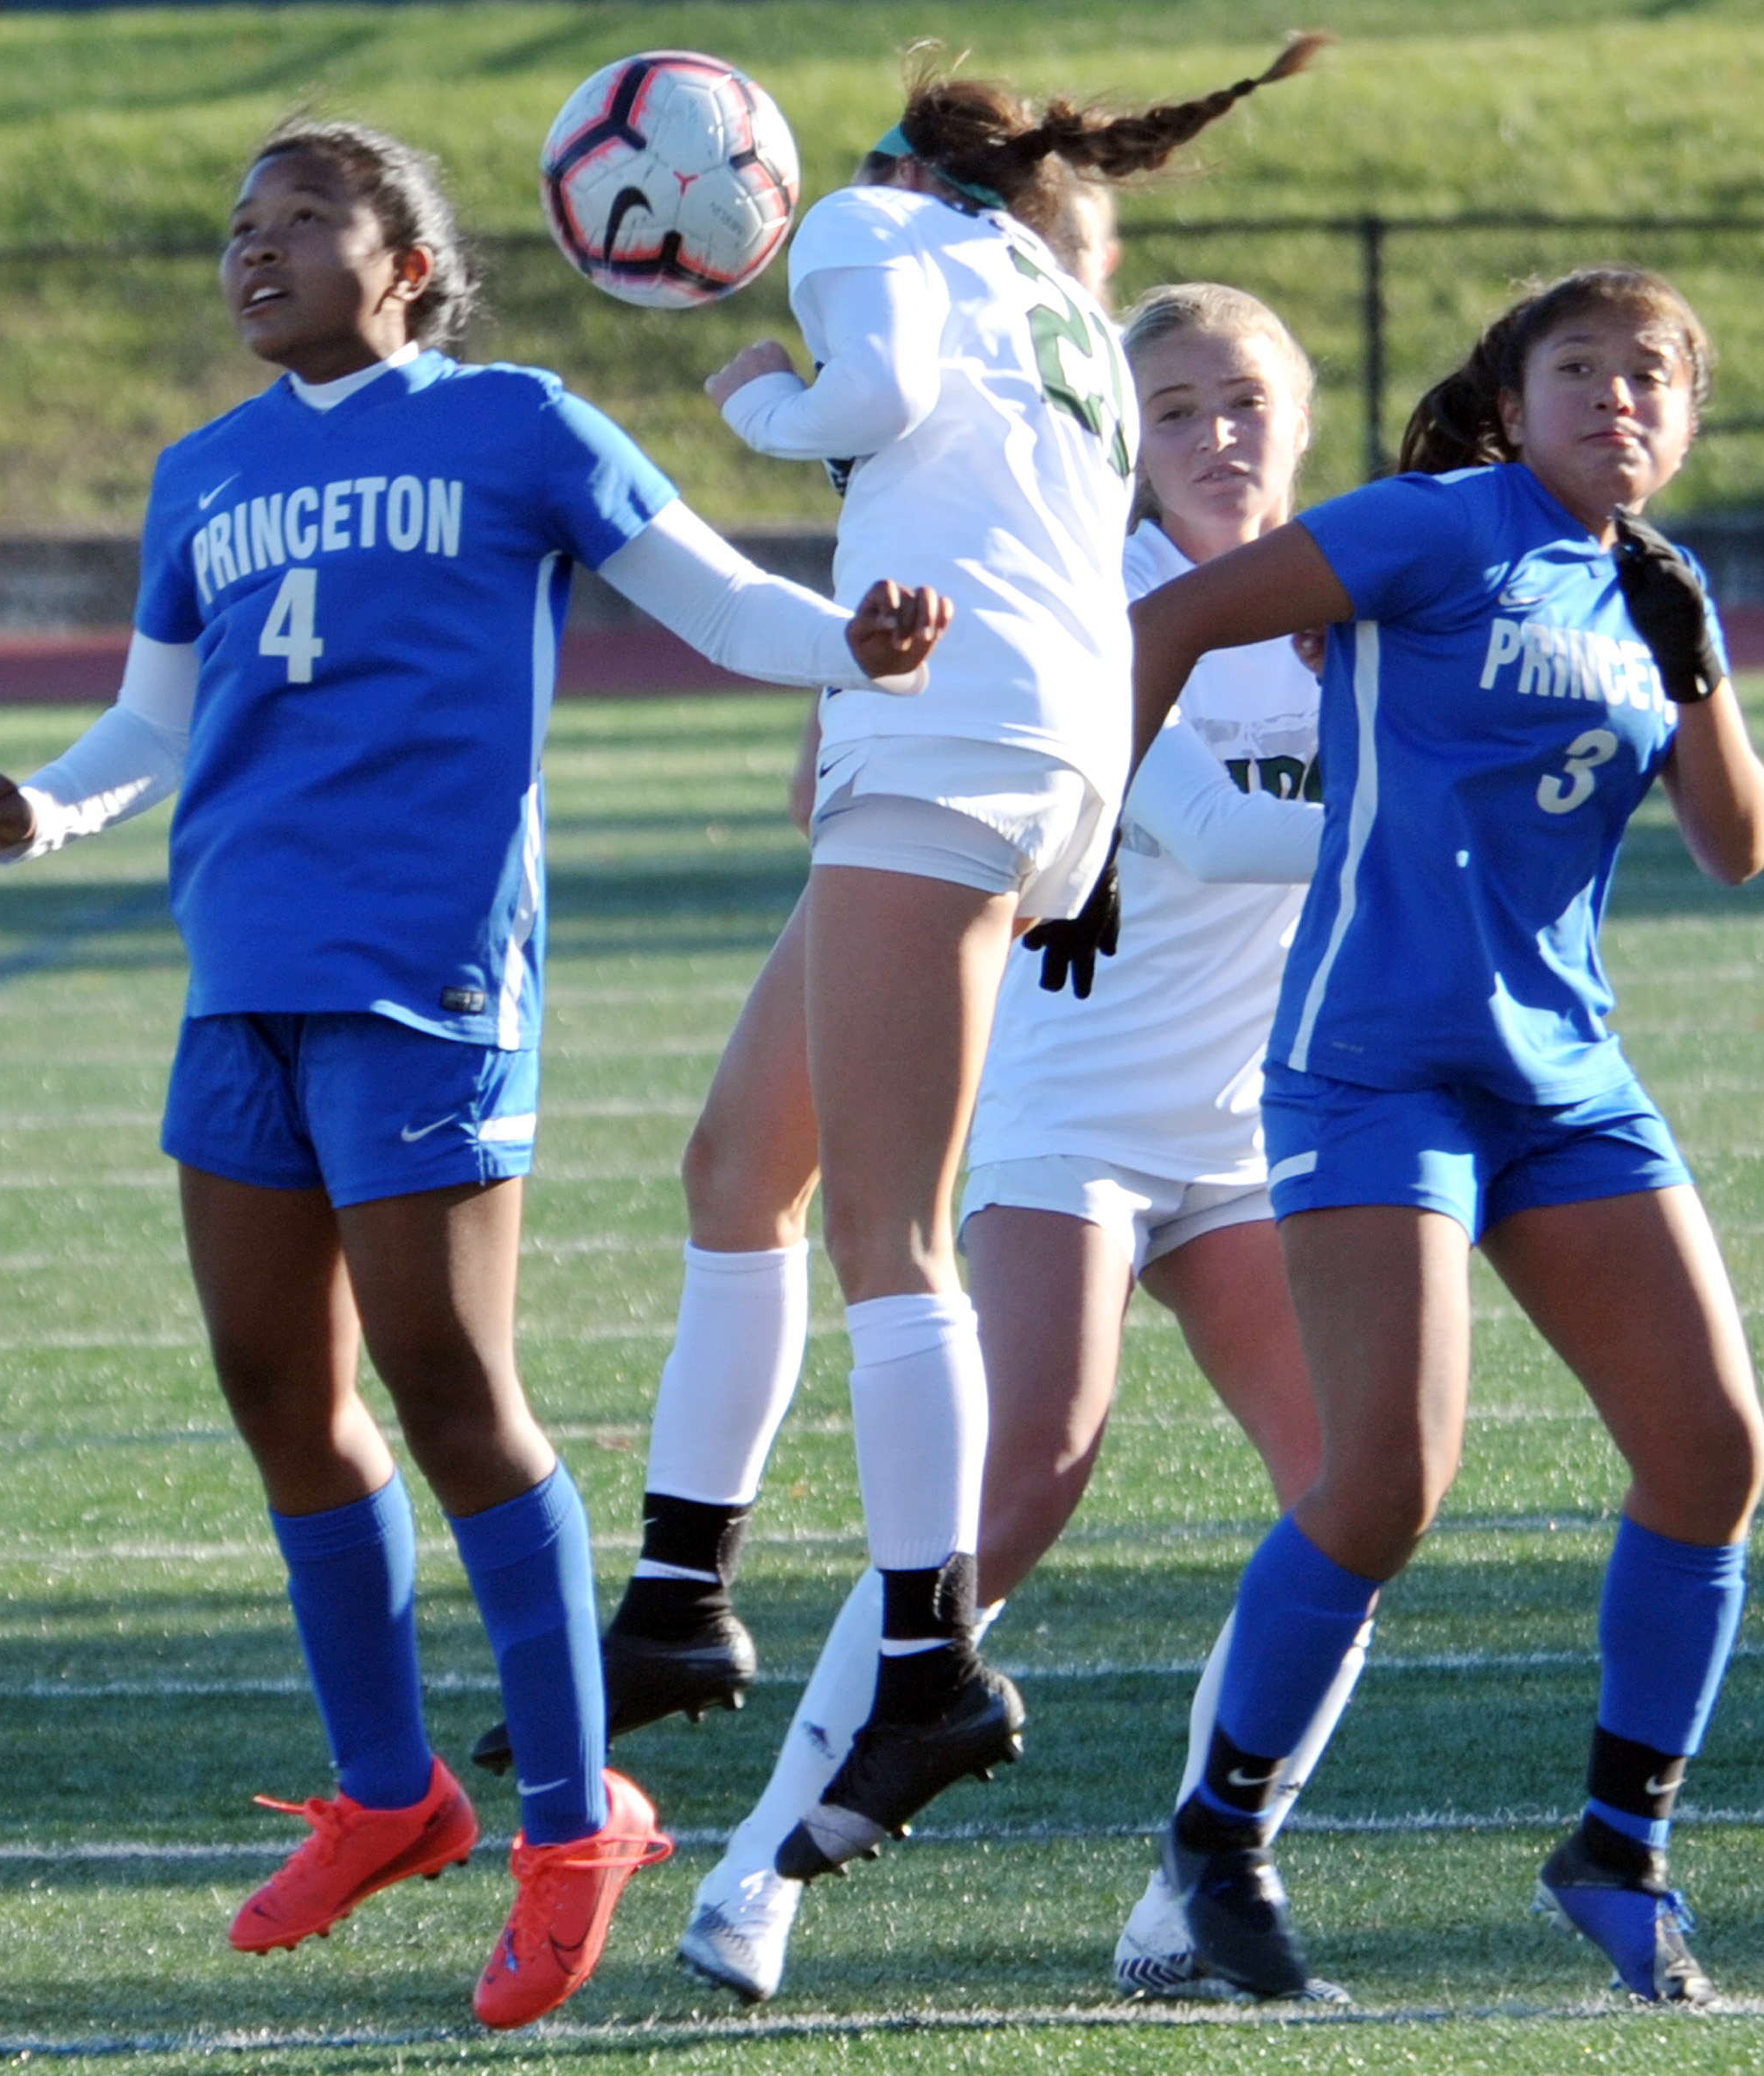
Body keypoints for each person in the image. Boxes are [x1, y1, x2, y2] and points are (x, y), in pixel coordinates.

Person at [0, 118, 948, 2031]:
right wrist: (44, 808)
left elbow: (718, 597)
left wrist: (859, 646)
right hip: (243, 976)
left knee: (452, 1388)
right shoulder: (201, 473)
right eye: (242, 224)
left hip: (426, 979)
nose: (259, 247)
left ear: (405, 265)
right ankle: (395, 1795)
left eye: (306, 218)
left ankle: (576, 1826)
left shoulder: (519, 425)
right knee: (277, 1394)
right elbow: (154, 719)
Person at [484, 42, 1329, 1901]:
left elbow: (868, 388)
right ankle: (683, 1596)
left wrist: (768, 401)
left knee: (891, 1240)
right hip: (1018, 754)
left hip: (951, 750)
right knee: (740, 1168)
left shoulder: (880, 232)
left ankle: (932, 1661)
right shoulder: (1065, 311)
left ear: (875, 168)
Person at [674, 282, 1376, 2008]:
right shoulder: (1097, 594)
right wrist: (1423, 810)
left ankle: (1200, 1890)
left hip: (1254, 1135)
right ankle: (763, 1865)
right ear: (1125, 439)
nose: (1218, 437)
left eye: (1246, 404)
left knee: (1355, 1500)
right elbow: (1202, 823)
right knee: (1020, 1482)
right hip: (1072, 1121)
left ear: (1299, 424)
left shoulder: (1340, 597)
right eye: (1180, 408)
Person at [1126, 266, 1764, 2004]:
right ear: (1517, 392)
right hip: (1377, 1067)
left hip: (1564, 1080)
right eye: (1585, 367)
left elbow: (1736, 845)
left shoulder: (1659, 591)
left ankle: (1620, 1849)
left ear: (1687, 423)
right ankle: (1219, 1840)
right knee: (1387, 1482)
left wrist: (1695, 658)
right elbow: (1168, 622)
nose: (1622, 398)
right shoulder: (1430, 528)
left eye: (1655, 378)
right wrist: (1078, 835)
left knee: (1712, 1448)